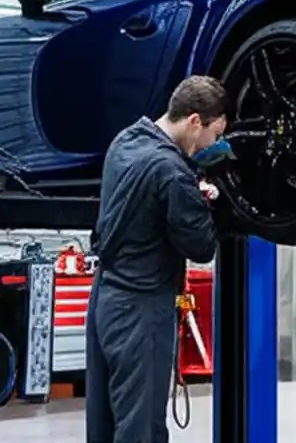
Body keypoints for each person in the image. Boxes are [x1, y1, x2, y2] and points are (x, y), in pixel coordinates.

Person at [84, 75, 229, 443]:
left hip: (105, 296)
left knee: (104, 424)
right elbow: (201, 247)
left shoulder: (126, 140)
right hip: (141, 307)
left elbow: (145, 203)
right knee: (142, 427)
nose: (212, 145)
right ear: (194, 121)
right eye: (214, 134)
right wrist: (200, 202)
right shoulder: (173, 173)